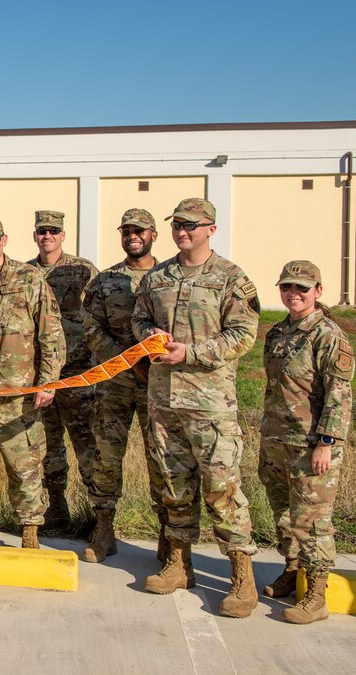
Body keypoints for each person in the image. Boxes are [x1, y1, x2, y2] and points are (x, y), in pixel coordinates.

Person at [132, 197, 261, 618]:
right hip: (164, 402)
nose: (182, 231)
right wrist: (148, 332)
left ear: (211, 229)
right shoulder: (158, 276)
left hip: (210, 404)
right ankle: (178, 563)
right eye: (177, 225)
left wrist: (190, 353)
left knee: (222, 489)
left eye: (190, 224)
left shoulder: (230, 278)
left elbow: (243, 334)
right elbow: (138, 320)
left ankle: (242, 574)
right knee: (174, 487)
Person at [258, 260, 353, 624]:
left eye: (301, 288)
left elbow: (339, 394)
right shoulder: (278, 332)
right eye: (286, 287)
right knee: (284, 514)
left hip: (313, 444)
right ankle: (293, 568)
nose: (293, 294)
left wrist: (326, 443)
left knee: (313, 521)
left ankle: (316, 593)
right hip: (278, 440)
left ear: (318, 290)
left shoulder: (328, 334)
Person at [0, 215, 64, 548]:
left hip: (17, 393)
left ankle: (29, 530)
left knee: (24, 467)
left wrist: (48, 382)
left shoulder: (29, 278)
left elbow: (50, 333)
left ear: (4, 240)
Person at [82, 209, 167, 563]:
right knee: (106, 455)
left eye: (139, 230)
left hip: (158, 383)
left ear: (152, 235)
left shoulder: (169, 277)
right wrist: (124, 359)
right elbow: (90, 327)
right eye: (126, 230)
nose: (132, 235)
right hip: (114, 382)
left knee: (161, 457)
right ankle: (104, 529)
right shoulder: (106, 280)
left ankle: (168, 533)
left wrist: (152, 361)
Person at [28, 211, 99, 527]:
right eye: (42, 231)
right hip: (41, 376)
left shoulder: (82, 270)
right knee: (48, 447)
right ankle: (56, 510)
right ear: (35, 235)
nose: (47, 236)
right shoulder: (26, 273)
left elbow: (101, 314)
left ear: (63, 235)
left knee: (87, 447)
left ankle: (99, 518)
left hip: (78, 373)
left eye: (53, 231)